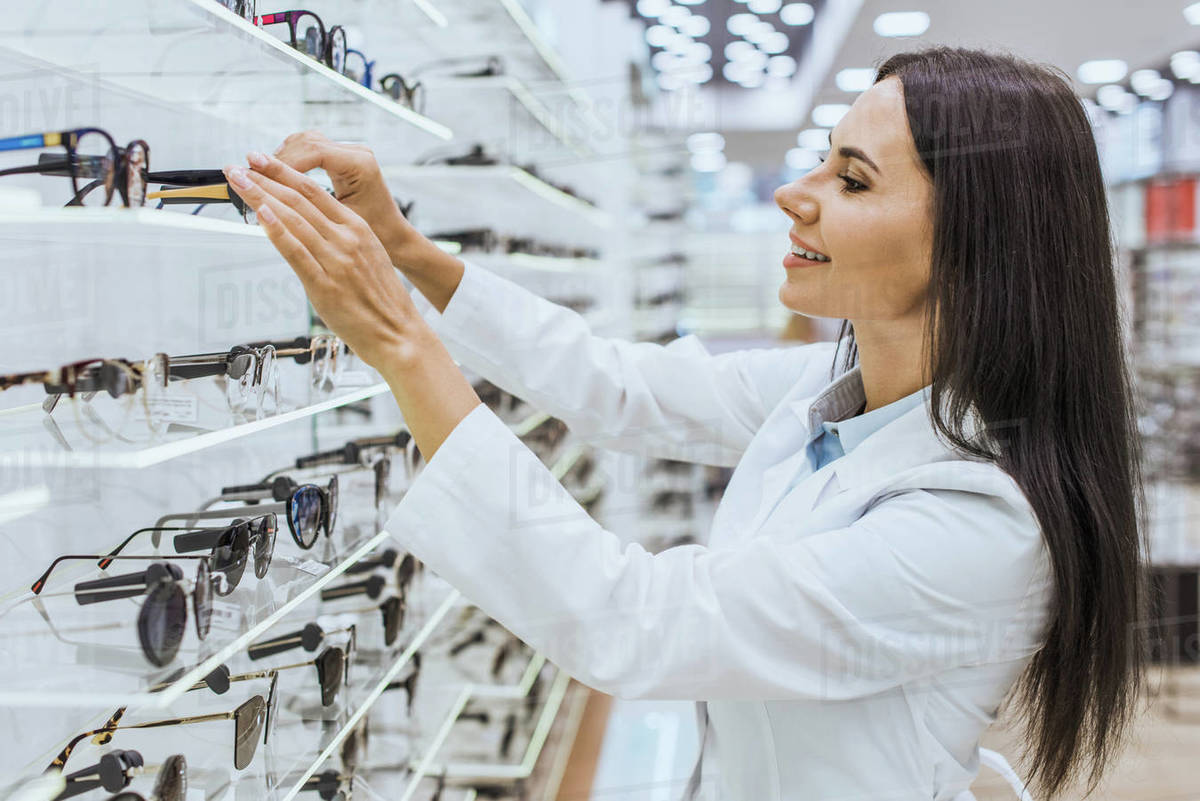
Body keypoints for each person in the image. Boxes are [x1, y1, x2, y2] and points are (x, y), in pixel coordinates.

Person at [222, 44, 1148, 801]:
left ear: (974, 243)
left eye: (853, 181)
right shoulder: (837, 389)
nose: (798, 191)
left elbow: (632, 622)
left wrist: (396, 340)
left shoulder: (977, 526)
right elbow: (616, 385)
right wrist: (409, 254)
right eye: (824, 156)